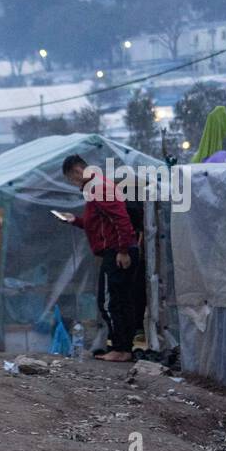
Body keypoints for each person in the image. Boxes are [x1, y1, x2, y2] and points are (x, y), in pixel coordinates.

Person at [59, 154, 139, 362]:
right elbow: (97, 223)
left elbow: (121, 219)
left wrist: (123, 250)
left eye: (71, 178)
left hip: (117, 251)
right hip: (117, 249)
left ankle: (120, 347)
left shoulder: (99, 188)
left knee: (110, 301)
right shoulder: (95, 188)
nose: (73, 183)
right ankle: (123, 348)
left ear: (78, 171)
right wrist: (75, 220)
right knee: (119, 300)